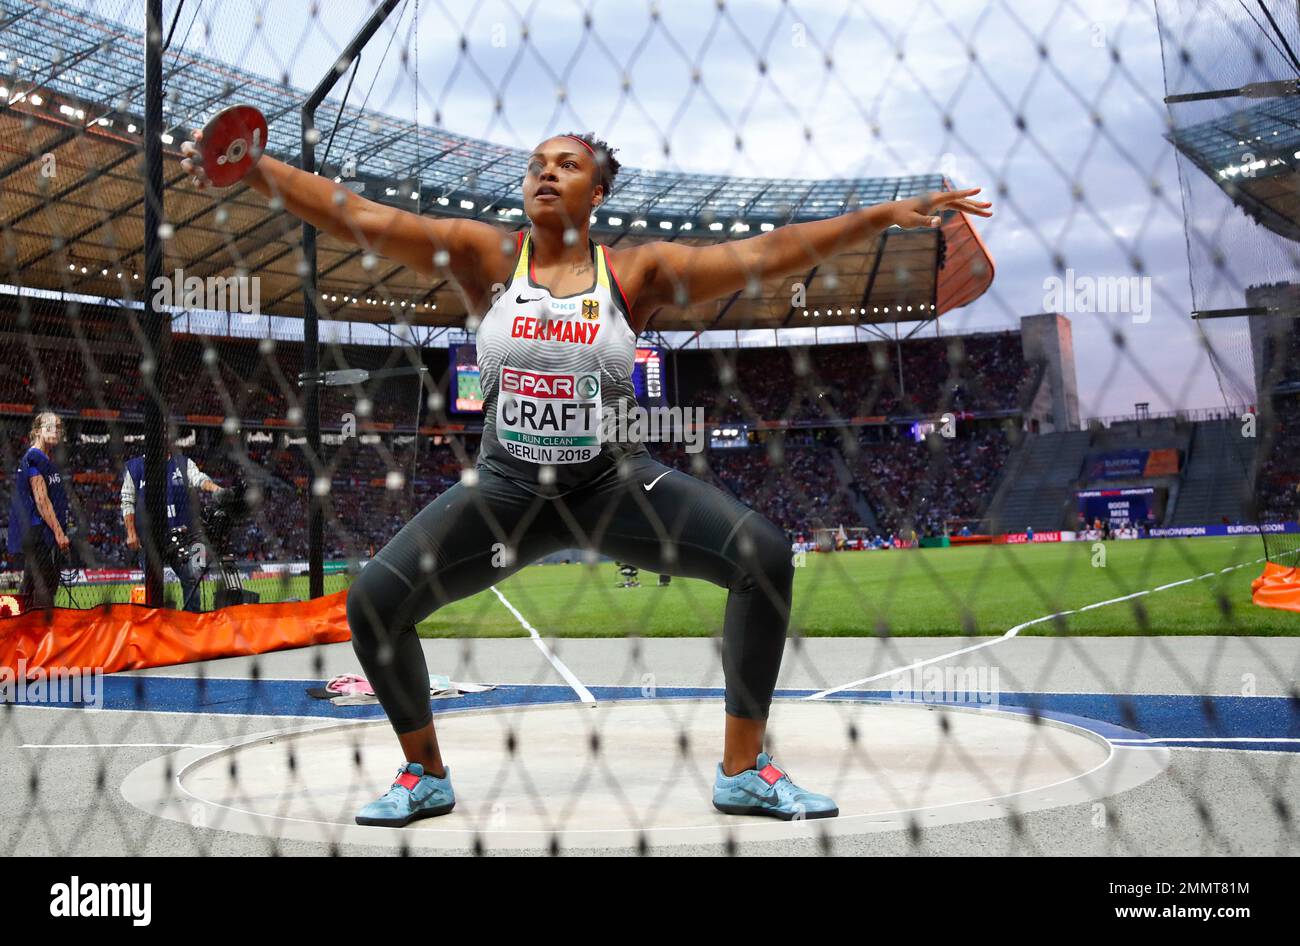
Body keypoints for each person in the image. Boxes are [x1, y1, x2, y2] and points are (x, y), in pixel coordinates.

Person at [183, 123, 991, 826]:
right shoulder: (485, 256)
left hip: (610, 485)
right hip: (505, 491)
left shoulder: (635, 274)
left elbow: (766, 256)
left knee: (764, 557)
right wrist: (257, 170)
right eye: (536, 162)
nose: (544, 173)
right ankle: (424, 775)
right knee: (373, 602)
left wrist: (883, 216)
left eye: (566, 165)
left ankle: (743, 773)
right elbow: (356, 217)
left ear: (596, 192)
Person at [121, 445, 222, 612]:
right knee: (154, 586)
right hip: (149, 539)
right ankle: (155, 623)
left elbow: (199, 479)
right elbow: (127, 501)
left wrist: (216, 489)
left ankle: (192, 620)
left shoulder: (183, 463)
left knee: (192, 579)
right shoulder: (134, 467)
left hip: (182, 536)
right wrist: (131, 533)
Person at [6, 412, 71, 610]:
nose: (56, 431)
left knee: (29, 587)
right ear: (37, 431)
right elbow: (41, 500)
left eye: (59, 427)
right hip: (39, 533)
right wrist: (59, 534)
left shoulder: (45, 460)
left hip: (41, 534)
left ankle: (15, 625)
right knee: (46, 589)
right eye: (50, 427)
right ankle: (43, 633)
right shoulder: (34, 458)